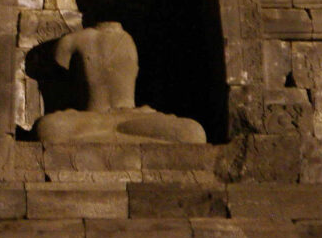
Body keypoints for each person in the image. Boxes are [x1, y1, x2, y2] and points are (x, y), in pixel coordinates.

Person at [34, 21, 206, 145]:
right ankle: (120, 136)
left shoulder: (140, 36)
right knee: (49, 129)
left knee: (193, 132)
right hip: (91, 119)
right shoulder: (71, 41)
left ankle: (110, 136)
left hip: (135, 119)